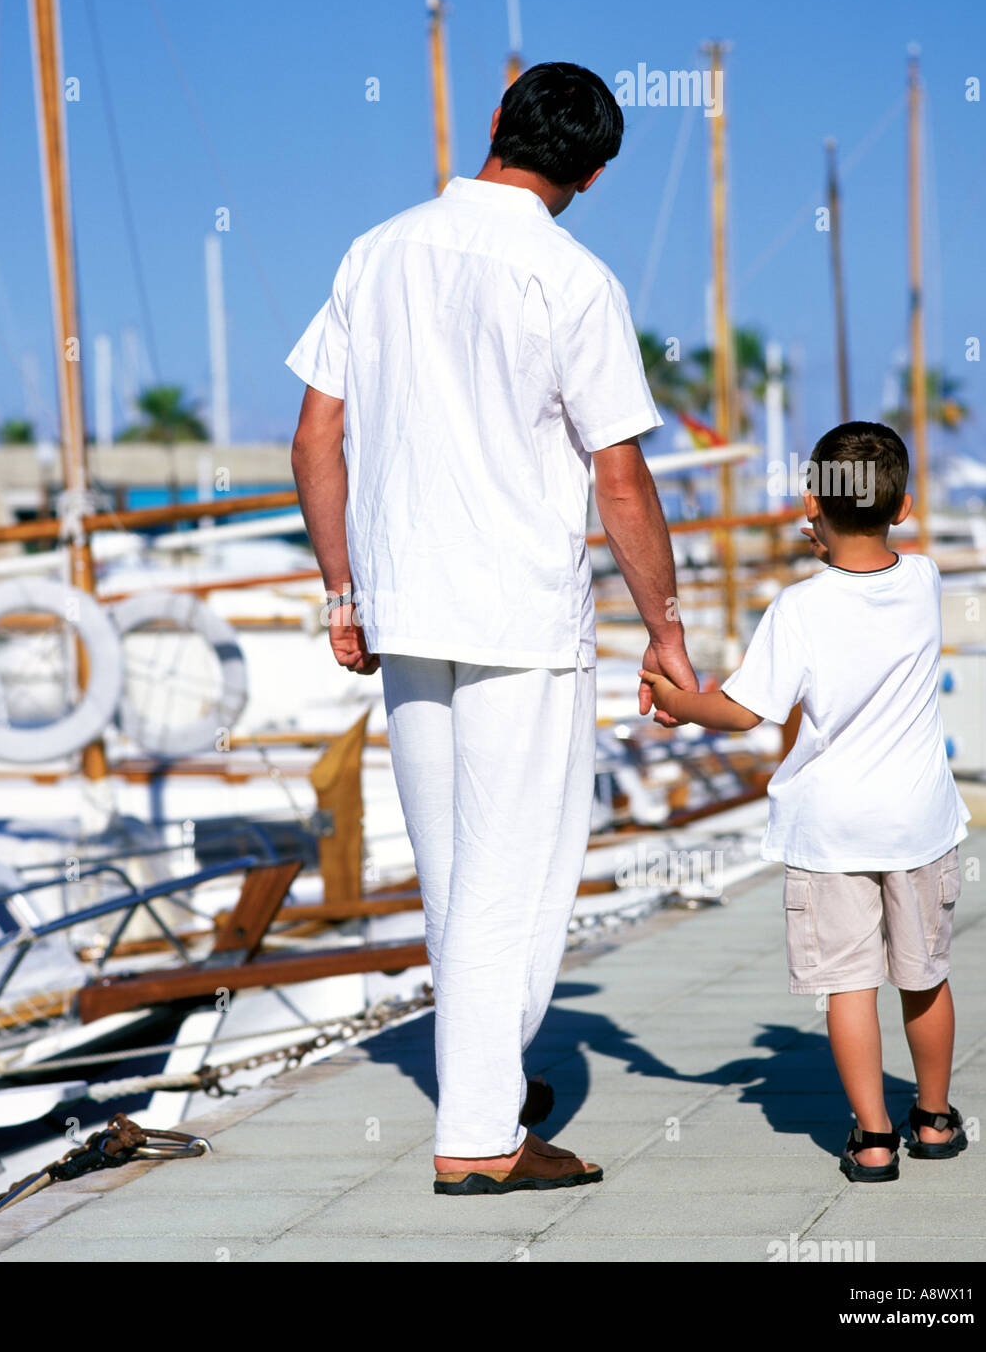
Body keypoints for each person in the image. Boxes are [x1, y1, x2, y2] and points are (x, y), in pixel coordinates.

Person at [288, 62, 696, 1195]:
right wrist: (663, 626)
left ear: (494, 130)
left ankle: (487, 1084)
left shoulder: (375, 251)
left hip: (405, 606)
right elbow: (618, 476)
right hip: (517, 611)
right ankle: (476, 1138)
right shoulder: (572, 276)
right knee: (512, 879)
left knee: (455, 874)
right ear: (594, 173)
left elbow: (315, 440)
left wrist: (341, 590)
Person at [640, 422, 971, 1183]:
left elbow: (744, 711)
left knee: (849, 983)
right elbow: (872, 557)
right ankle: (935, 1118)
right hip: (918, 821)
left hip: (832, 829)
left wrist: (679, 701)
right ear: (906, 506)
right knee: (924, 973)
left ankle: (876, 1138)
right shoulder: (924, 581)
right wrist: (835, 527)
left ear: (812, 505)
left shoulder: (798, 608)